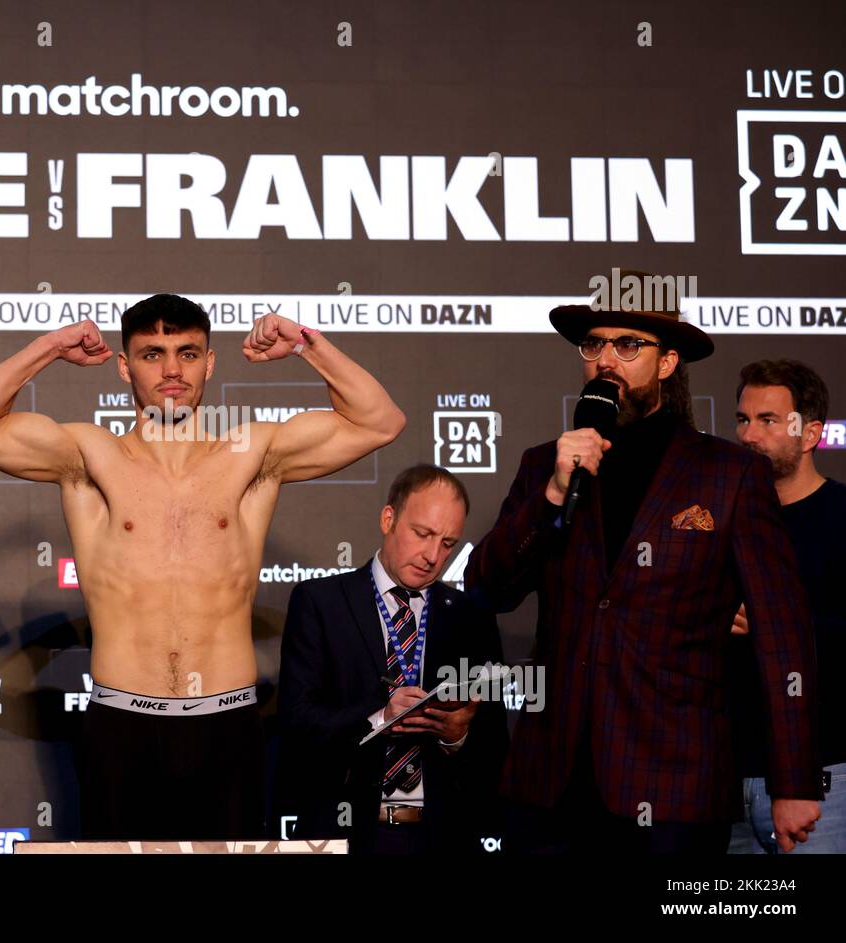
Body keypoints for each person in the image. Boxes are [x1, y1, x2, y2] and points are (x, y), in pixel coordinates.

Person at [0, 293, 404, 839]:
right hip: (122, 727)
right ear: (124, 366)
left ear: (209, 363)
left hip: (227, 726)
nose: (171, 371)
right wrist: (50, 346)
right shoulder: (90, 457)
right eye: (152, 355)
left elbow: (380, 421)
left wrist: (306, 345)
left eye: (187, 353)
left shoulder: (250, 455)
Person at [464, 281, 821, 854]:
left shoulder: (729, 474)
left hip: (674, 784)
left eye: (628, 345)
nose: (605, 359)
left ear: (667, 362)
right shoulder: (545, 465)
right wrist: (552, 494)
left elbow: (783, 636)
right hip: (550, 783)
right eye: (594, 344)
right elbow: (485, 589)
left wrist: (794, 782)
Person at [276, 465, 508, 854]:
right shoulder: (321, 603)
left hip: (441, 840)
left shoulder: (471, 618)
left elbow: (496, 746)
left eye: (448, 543)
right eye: (423, 534)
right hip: (344, 833)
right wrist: (380, 717)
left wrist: (457, 736)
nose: (433, 556)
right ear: (388, 519)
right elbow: (296, 724)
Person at [728, 359, 845, 853]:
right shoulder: (718, 523)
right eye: (743, 419)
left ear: (811, 433)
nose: (749, 435)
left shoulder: (842, 516)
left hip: (825, 783)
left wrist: (774, 628)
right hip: (722, 784)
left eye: (768, 420)